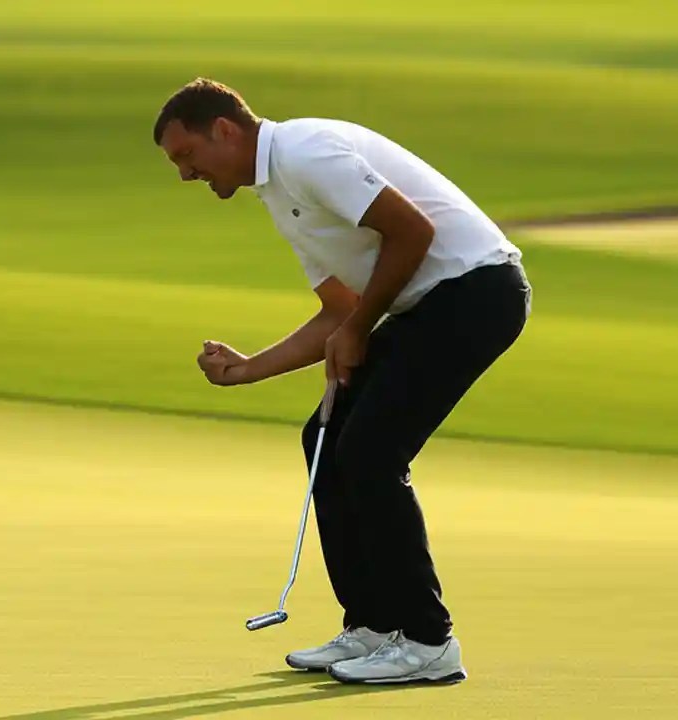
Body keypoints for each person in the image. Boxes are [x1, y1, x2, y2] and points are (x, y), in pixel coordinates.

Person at [152, 78, 532, 685]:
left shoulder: (305, 151)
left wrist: (357, 328)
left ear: (224, 130)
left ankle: (430, 641)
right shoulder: (276, 190)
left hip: (477, 292)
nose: (185, 174)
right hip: (428, 305)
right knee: (324, 442)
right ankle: (376, 626)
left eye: (187, 156)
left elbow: (413, 233)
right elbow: (339, 309)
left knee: (371, 453)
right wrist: (249, 368)